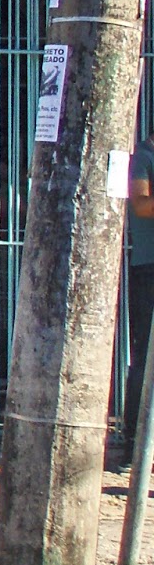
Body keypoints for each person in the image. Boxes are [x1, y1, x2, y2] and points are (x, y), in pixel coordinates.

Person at [127, 134, 154, 457]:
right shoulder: (142, 159)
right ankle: (134, 444)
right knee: (145, 356)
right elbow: (141, 204)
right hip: (148, 267)